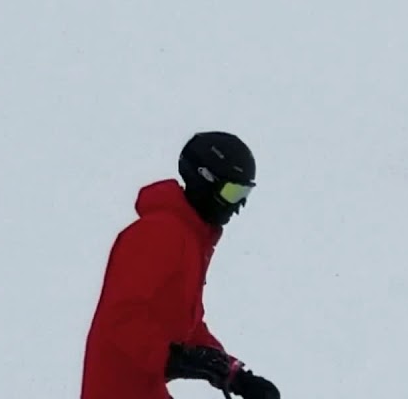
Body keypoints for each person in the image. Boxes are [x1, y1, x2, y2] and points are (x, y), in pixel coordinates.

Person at [81, 131, 280, 399]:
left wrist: (232, 374)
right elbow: (122, 318)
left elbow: (188, 326)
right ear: (205, 179)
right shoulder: (159, 233)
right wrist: (178, 360)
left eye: (245, 193)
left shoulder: (189, 240)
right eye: (233, 192)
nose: (238, 206)